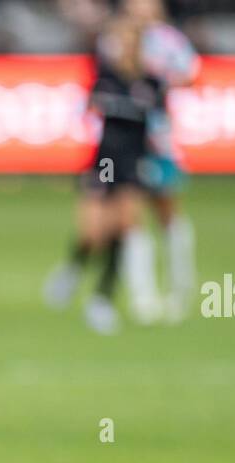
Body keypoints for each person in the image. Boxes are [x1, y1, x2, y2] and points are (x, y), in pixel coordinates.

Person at [45, 16, 162, 335]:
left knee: (124, 230)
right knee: (92, 233)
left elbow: (160, 128)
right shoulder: (105, 79)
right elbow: (87, 115)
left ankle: (102, 300)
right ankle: (73, 268)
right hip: (103, 164)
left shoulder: (151, 84)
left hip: (133, 166)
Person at [122, 0, 200, 324]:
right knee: (131, 216)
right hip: (125, 140)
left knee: (167, 212)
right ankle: (143, 297)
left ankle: (181, 289)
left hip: (158, 139)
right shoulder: (118, 38)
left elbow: (192, 74)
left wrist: (163, 81)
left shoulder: (169, 40)